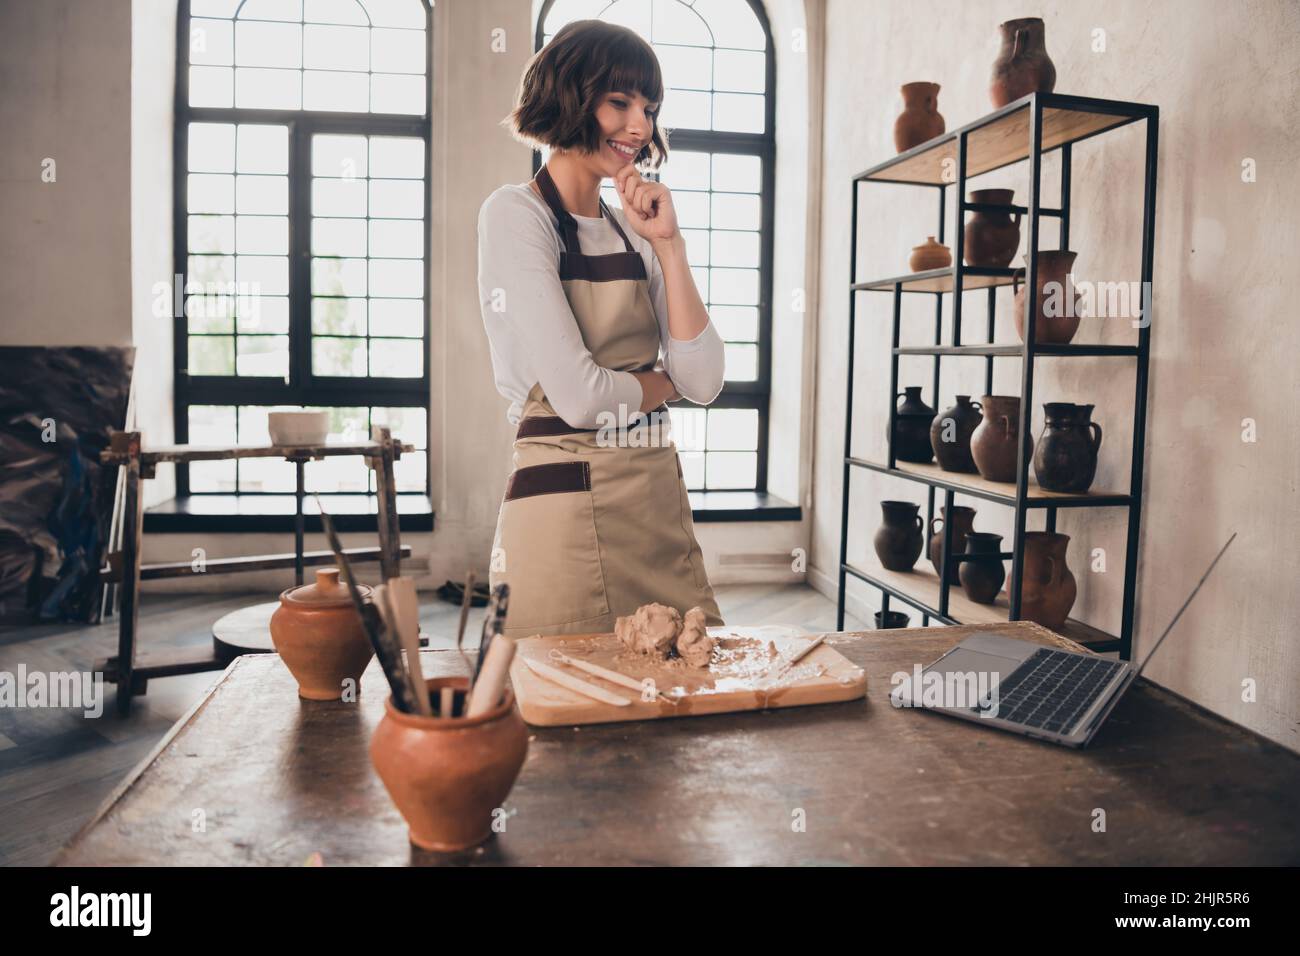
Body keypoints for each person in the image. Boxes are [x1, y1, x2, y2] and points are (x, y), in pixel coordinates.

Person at [477, 19, 725, 637]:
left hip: (654, 511)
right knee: (566, 710)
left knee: (684, 699)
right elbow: (583, 399)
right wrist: (660, 383)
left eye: (649, 108)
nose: (639, 127)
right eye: (619, 102)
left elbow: (705, 379)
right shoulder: (515, 214)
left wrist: (669, 246)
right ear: (568, 95)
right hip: (561, 521)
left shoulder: (635, 232)